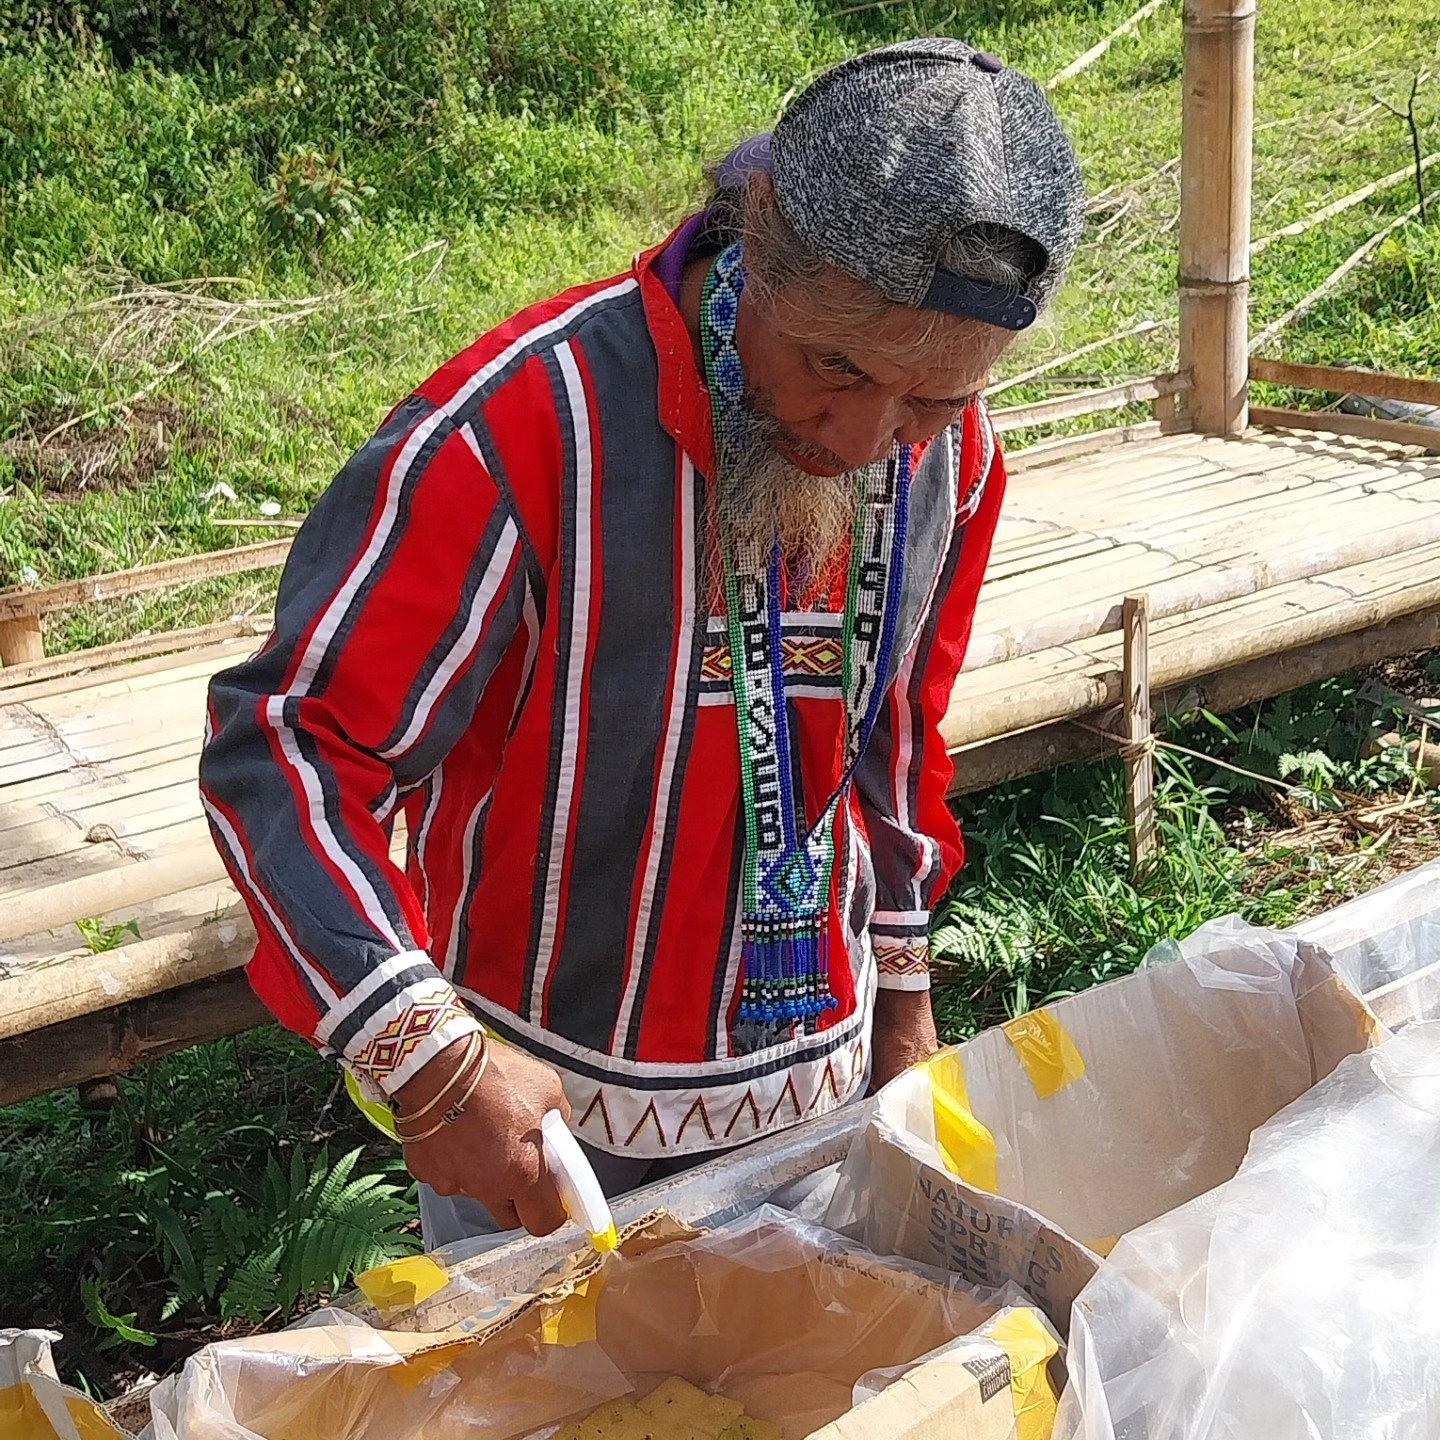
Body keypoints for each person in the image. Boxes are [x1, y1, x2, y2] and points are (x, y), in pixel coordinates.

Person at [199, 38, 1084, 1247]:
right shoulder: (519, 430)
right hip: (537, 1124)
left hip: (818, 1099)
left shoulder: (953, 462)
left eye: (935, 395)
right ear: (757, 237)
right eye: (833, 364)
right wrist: (427, 1059)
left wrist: (904, 996)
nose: (863, 436)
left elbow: (893, 740)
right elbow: (288, 744)